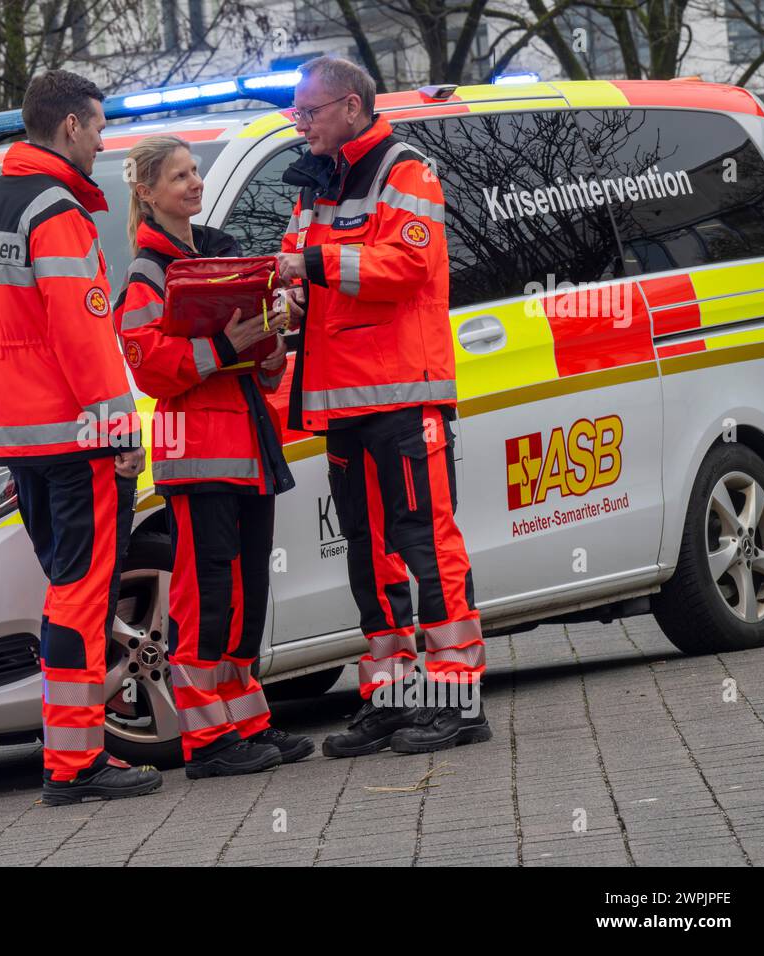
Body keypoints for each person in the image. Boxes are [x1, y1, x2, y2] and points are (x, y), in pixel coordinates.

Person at [0, 70, 163, 805]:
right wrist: (121, 432)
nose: (104, 142)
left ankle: (67, 756)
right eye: (100, 127)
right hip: (78, 439)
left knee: (66, 589)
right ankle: (75, 765)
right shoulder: (58, 213)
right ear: (69, 126)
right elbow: (85, 339)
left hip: (18, 438)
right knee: (80, 594)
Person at [274, 56, 491, 755]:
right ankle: (394, 697)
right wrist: (283, 292)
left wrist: (314, 265)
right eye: (298, 112)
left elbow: (405, 266)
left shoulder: (406, 171)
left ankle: (458, 701)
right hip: (344, 401)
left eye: (310, 110)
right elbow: (291, 261)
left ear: (352, 106)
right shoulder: (319, 182)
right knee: (370, 556)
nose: (300, 123)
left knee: (425, 543)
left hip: (403, 394)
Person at [115, 135, 314, 779]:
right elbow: (151, 368)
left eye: (196, 172)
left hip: (246, 447)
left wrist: (269, 343)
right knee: (207, 600)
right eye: (180, 176)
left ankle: (245, 719)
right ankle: (207, 741)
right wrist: (228, 349)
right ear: (148, 193)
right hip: (198, 455)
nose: (195, 183)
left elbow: (257, 358)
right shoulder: (149, 272)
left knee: (246, 594)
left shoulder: (216, 254)